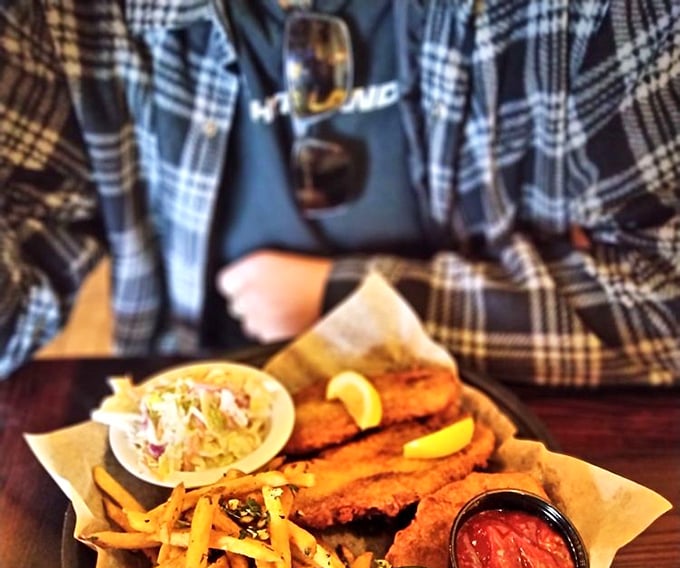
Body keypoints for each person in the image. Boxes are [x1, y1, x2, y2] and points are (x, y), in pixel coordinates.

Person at [1, 0, 678, 386]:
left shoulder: (585, 15)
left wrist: (347, 300)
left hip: (489, 408)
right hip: (205, 402)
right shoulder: (69, 16)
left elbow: (664, 311)